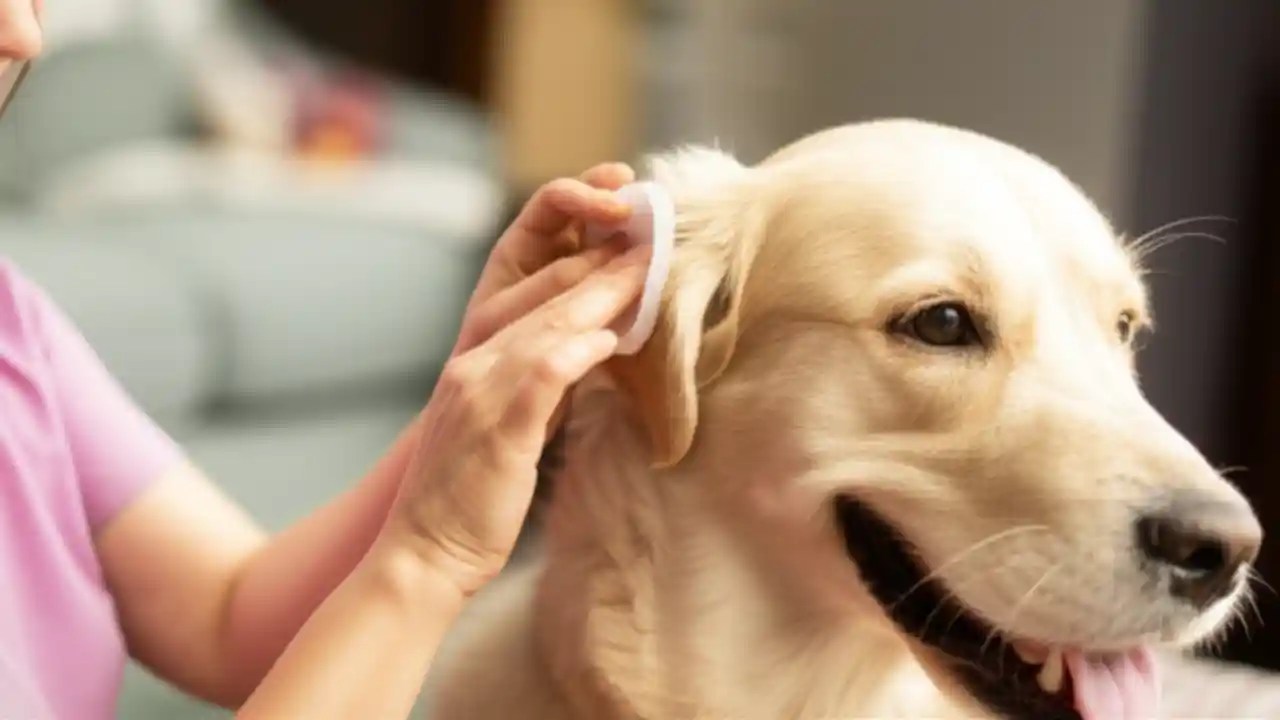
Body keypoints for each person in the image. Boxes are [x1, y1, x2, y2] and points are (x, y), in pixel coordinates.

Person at [0, 3, 649, 718]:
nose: (24, 34)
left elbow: (227, 620)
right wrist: (428, 557)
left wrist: (466, 403)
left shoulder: (13, 318)